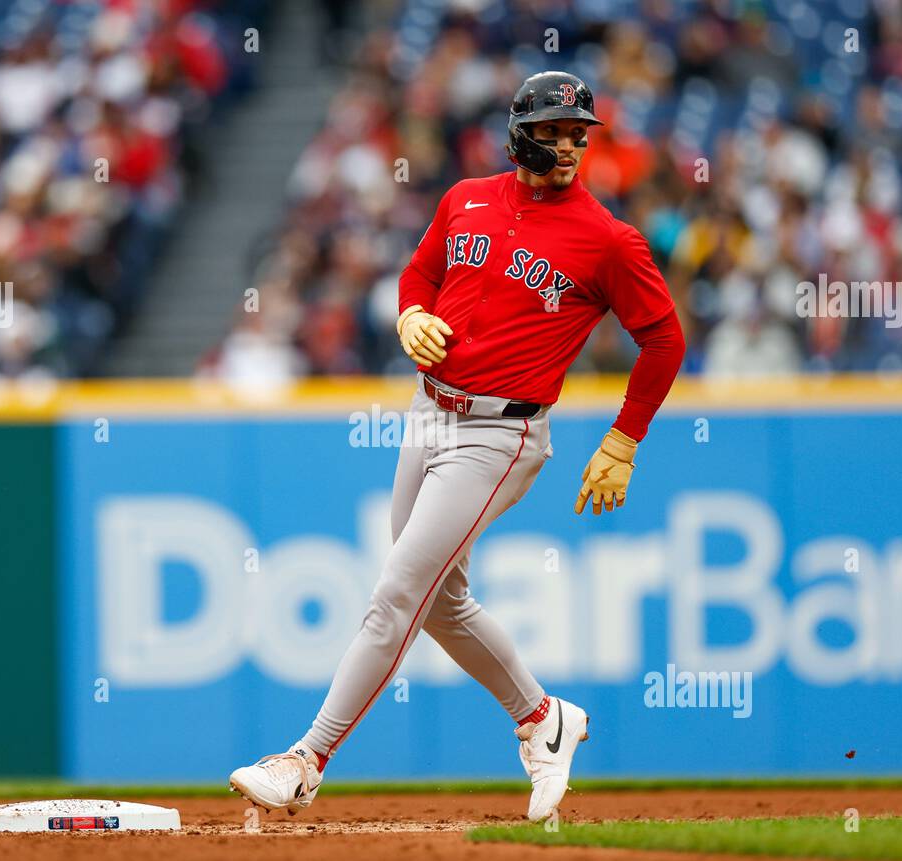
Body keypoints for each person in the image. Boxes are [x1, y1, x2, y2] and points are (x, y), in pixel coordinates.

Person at [230, 72, 685, 821]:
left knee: (395, 595)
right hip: (428, 412)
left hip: (500, 433)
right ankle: (545, 719)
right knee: (439, 601)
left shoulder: (607, 239)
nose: (568, 145)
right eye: (554, 130)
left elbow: (663, 338)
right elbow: (420, 273)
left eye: (579, 133)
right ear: (519, 132)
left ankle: (305, 760)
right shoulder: (465, 197)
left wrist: (625, 438)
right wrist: (411, 314)